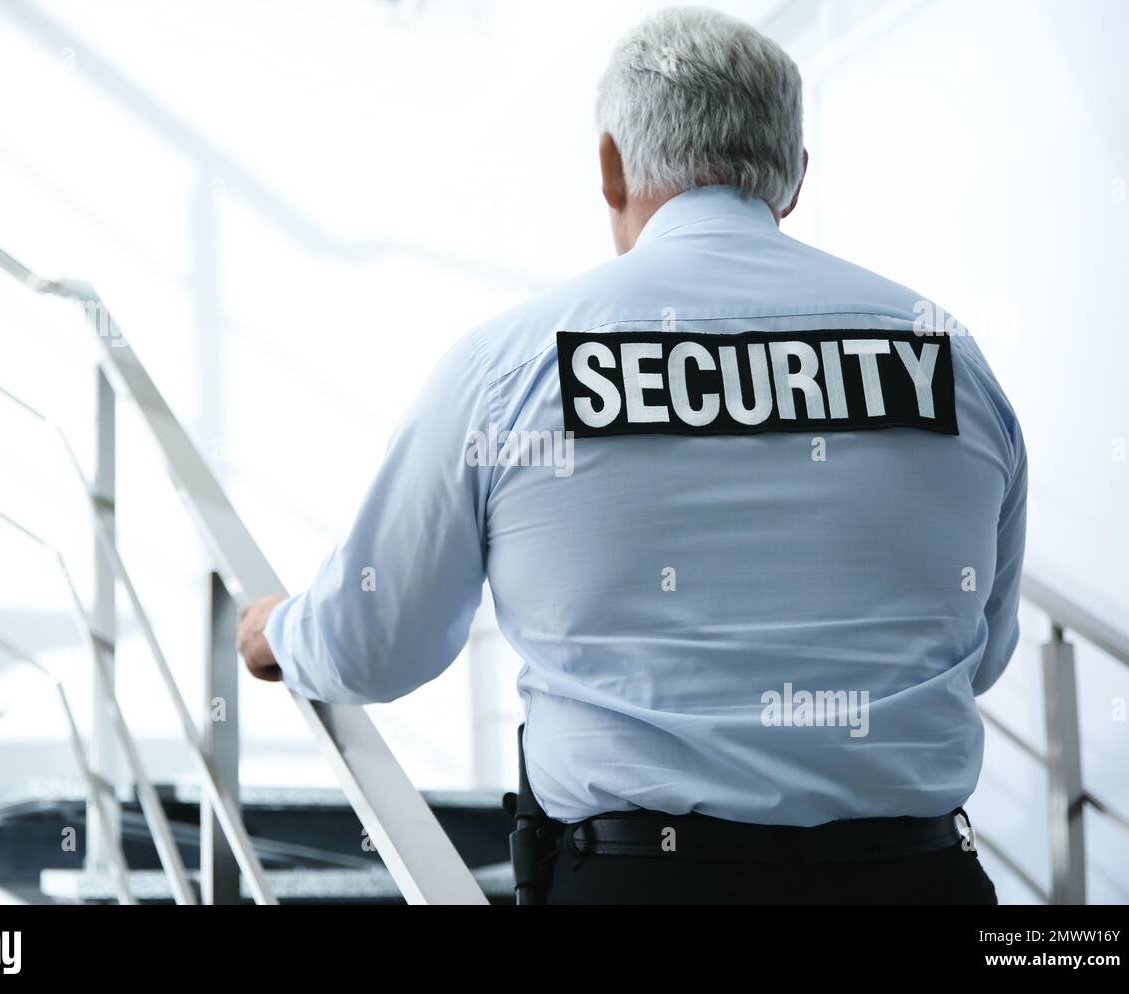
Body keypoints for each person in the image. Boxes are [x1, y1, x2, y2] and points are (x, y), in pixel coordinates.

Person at [237, 6, 1025, 905]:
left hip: (640, 886)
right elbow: (982, 650)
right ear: (796, 178)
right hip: (918, 886)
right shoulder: (949, 361)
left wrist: (281, 633)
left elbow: (377, 644)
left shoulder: (515, 363)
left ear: (610, 166)